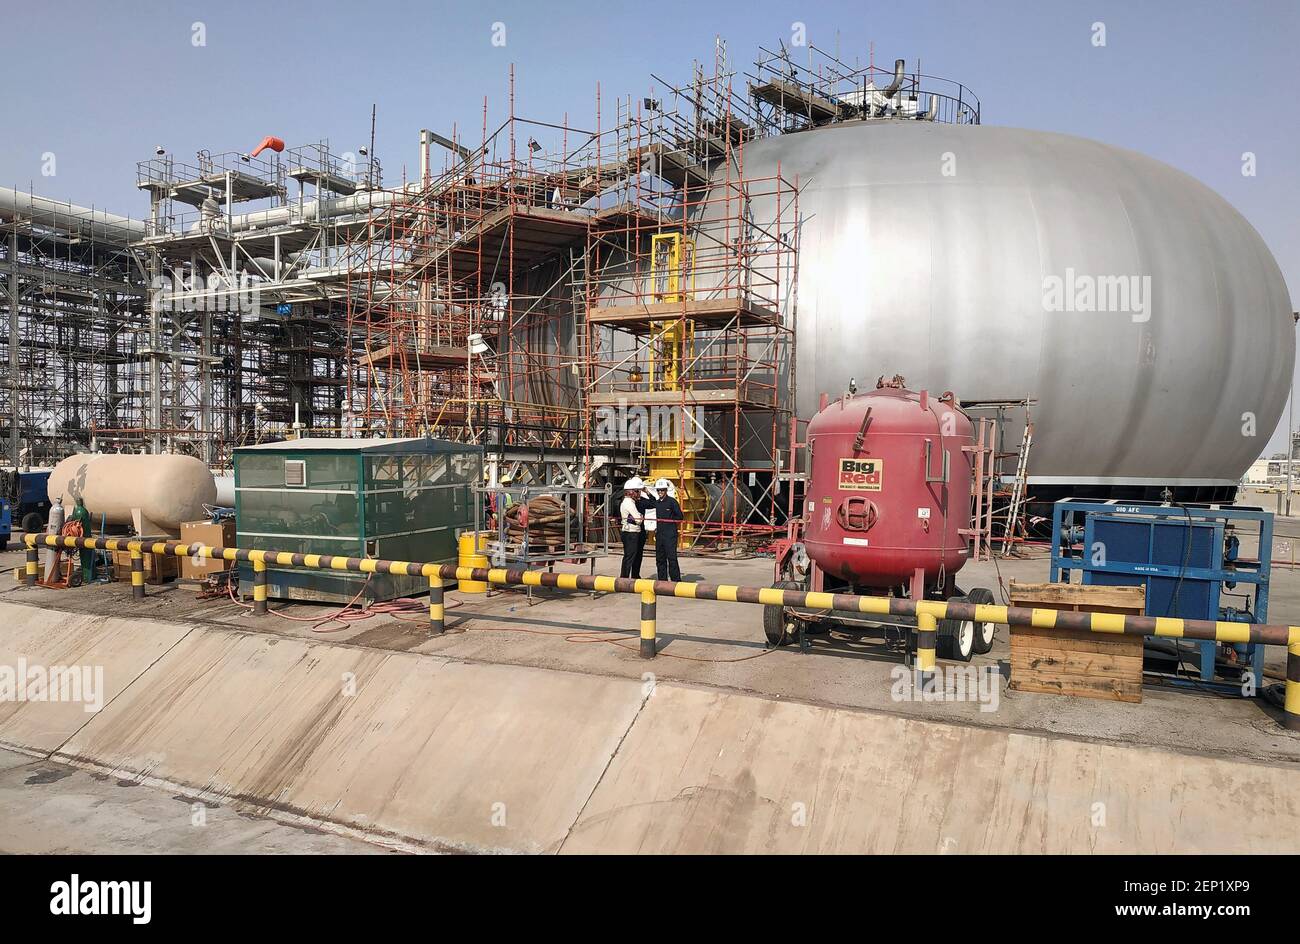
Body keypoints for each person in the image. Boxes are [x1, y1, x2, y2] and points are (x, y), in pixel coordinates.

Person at [649, 478, 683, 582]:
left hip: (670, 535)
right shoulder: (657, 503)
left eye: (662, 490)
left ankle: (676, 581)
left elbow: (680, 516)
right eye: (658, 490)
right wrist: (646, 492)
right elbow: (649, 502)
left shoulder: (672, 502)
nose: (660, 492)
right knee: (660, 559)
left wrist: (669, 522)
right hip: (660, 535)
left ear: (666, 490)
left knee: (672, 558)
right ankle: (662, 580)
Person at [618, 477, 648, 578]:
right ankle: (624, 578)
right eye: (637, 491)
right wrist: (639, 517)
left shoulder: (629, 502)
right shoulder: (629, 503)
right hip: (631, 532)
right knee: (630, 556)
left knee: (630, 555)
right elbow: (639, 519)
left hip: (630, 532)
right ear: (631, 492)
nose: (639, 493)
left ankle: (628, 577)